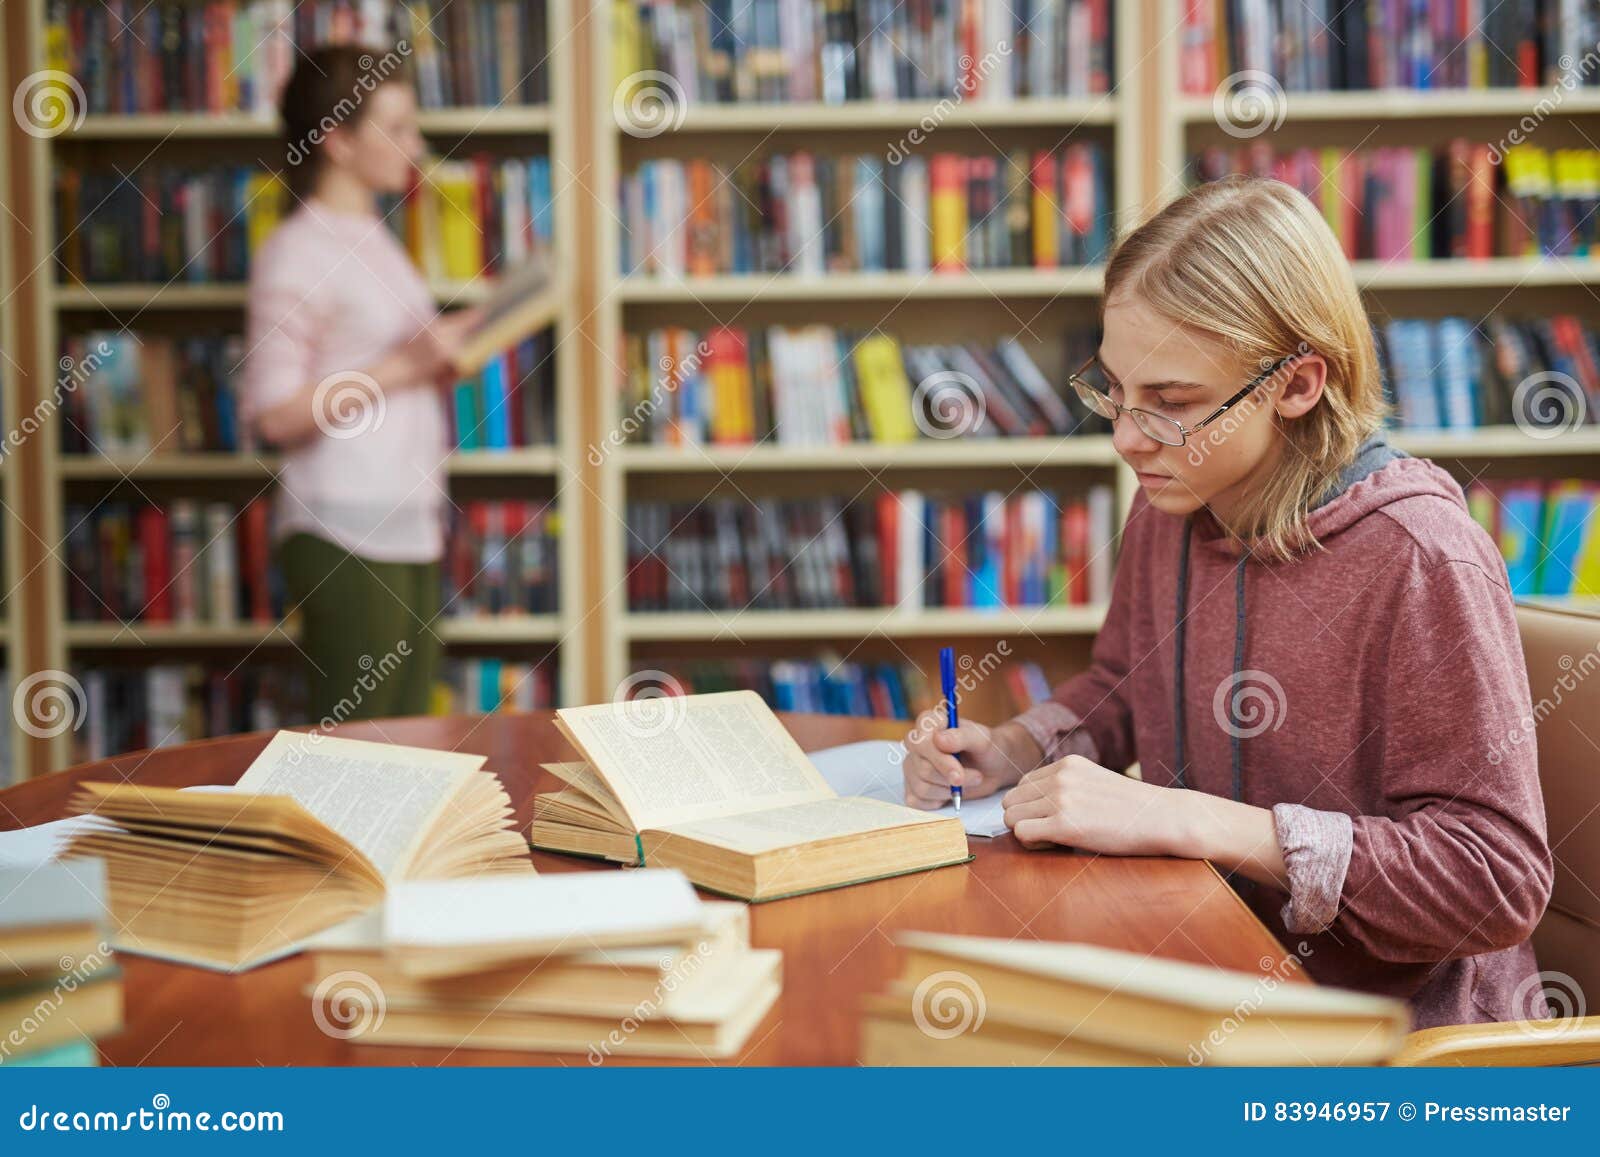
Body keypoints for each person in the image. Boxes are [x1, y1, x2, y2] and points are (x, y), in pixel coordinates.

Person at [902, 176, 1553, 1030]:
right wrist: (1016, 747)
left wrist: (1197, 821)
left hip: (1385, 1044)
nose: (1128, 438)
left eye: (1172, 404)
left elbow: (1495, 879)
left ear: (1297, 384)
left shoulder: (1422, 558)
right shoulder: (1170, 501)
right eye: (1114, 391)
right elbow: (1126, 684)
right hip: (1201, 980)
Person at [242, 46, 480, 721]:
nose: (417, 143)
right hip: (344, 524)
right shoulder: (296, 250)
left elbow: (387, 356)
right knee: (360, 746)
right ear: (339, 141)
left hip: (408, 518)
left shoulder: (375, 239)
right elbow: (275, 415)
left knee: (409, 741)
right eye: (397, 127)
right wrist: (407, 365)